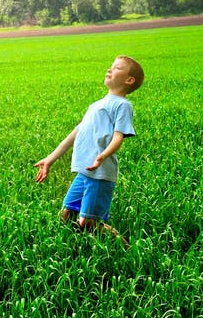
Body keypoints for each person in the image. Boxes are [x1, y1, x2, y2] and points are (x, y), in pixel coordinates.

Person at [34, 55, 144, 248]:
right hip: (85, 171)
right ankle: (69, 249)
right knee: (67, 213)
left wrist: (103, 155)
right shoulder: (95, 105)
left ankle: (129, 250)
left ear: (129, 80)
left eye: (117, 68)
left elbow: (119, 136)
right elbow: (74, 134)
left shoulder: (122, 105)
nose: (110, 70)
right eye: (111, 67)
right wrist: (50, 159)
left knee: (89, 222)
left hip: (100, 173)